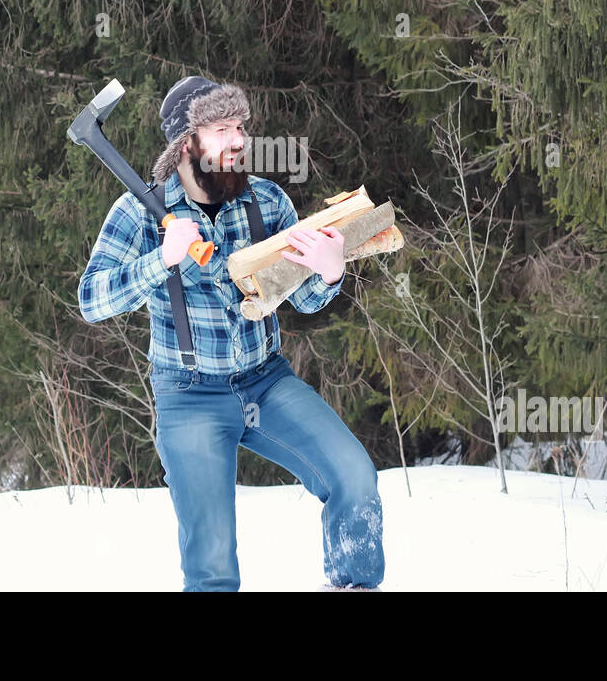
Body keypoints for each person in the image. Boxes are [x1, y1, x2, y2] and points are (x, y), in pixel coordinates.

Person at [78, 75, 385, 591]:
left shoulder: (265, 201)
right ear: (186, 144)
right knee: (213, 567)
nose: (239, 139)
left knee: (354, 477)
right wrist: (162, 260)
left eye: (239, 126)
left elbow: (304, 298)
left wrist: (330, 270)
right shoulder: (138, 212)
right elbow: (91, 301)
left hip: (268, 382)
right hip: (189, 395)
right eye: (221, 129)